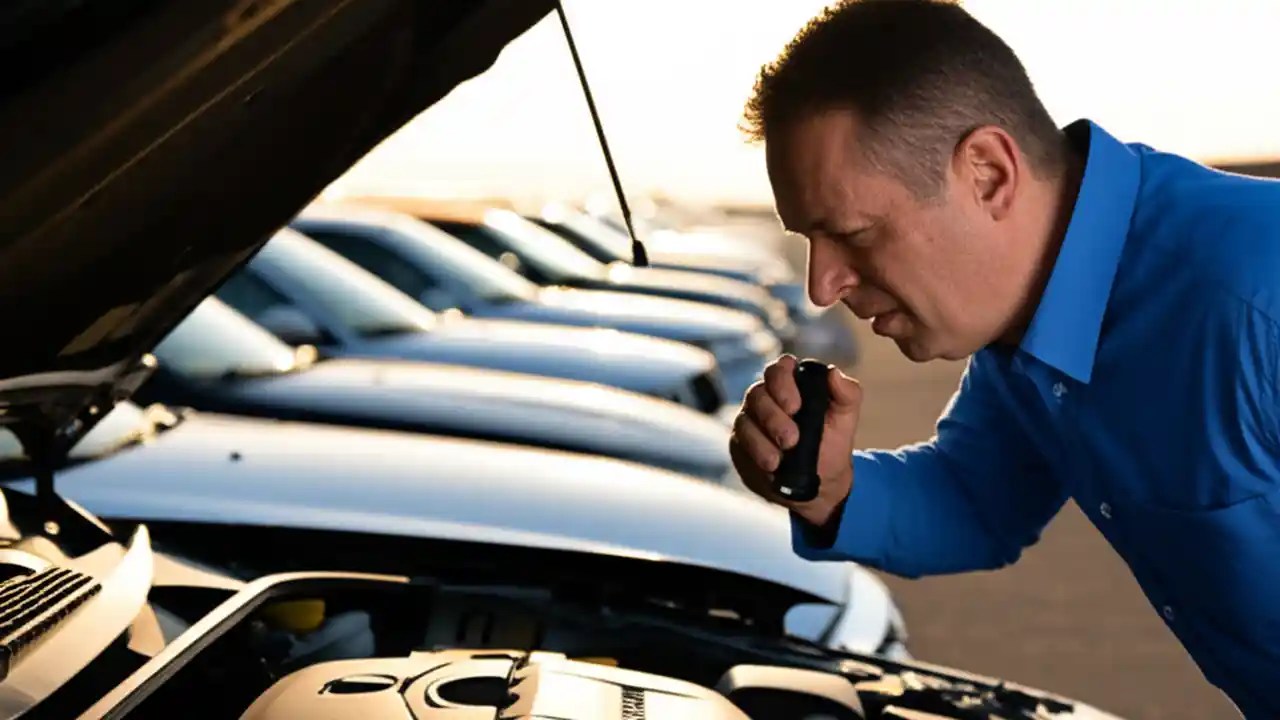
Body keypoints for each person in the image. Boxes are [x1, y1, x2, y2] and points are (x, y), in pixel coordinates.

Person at [728, 1, 1280, 716]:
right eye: (810, 241)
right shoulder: (1028, 316)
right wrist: (831, 488)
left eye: (853, 233)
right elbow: (976, 497)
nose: (822, 284)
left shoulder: (1258, 299)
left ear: (987, 174)